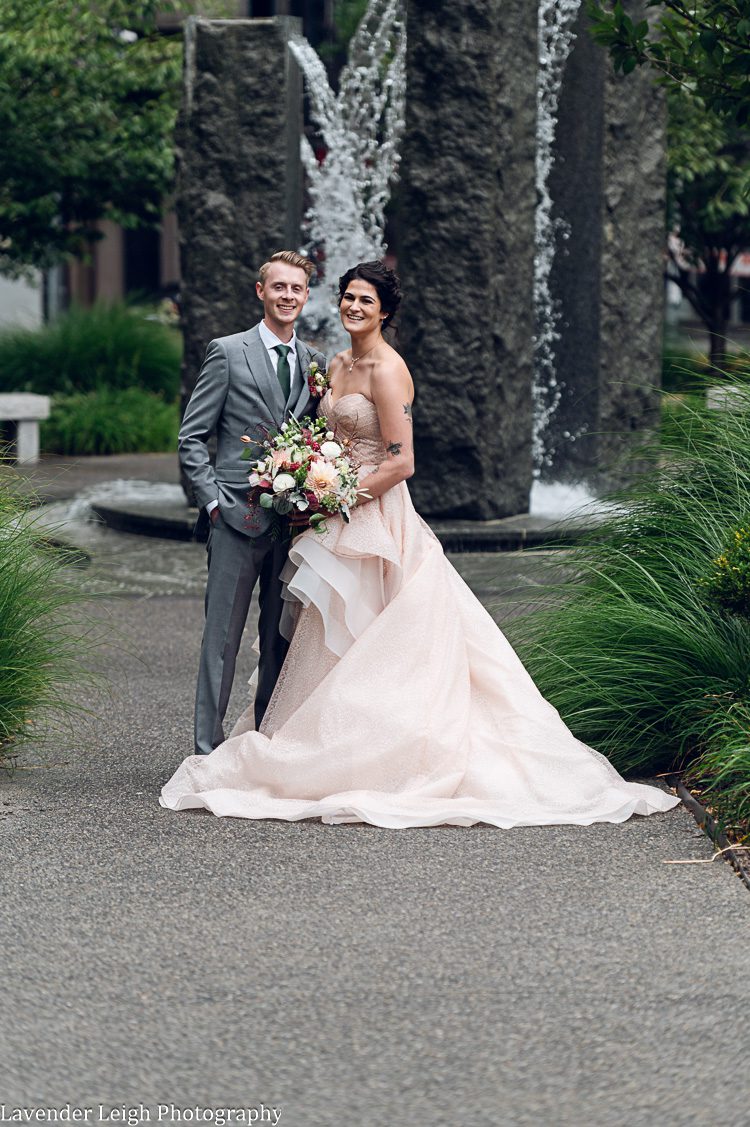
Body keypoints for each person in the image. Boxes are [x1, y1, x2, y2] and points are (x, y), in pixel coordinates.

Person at [162, 261, 680, 828]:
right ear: (270, 293)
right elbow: (254, 434)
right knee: (305, 633)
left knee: (363, 637)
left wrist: (336, 495)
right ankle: (236, 746)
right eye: (348, 298)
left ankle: (363, 752)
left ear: (385, 310)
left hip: (367, 515)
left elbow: (402, 460)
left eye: (366, 300)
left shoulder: (386, 370)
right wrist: (225, 501)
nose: (354, 307)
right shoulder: (326, 364)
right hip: (294, 516)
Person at [178, 250, 326, 757]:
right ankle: (206, 750)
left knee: (278, 639)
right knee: (221, 639)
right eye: (279, 287)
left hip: (292, 523)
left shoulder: (314, 364)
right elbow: (192, 437)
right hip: (234, 519)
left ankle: (265, 745)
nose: (288, 296)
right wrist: (213, 503)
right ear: (261, 291)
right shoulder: (227, 351)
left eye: (297, 289)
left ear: (306, 297)